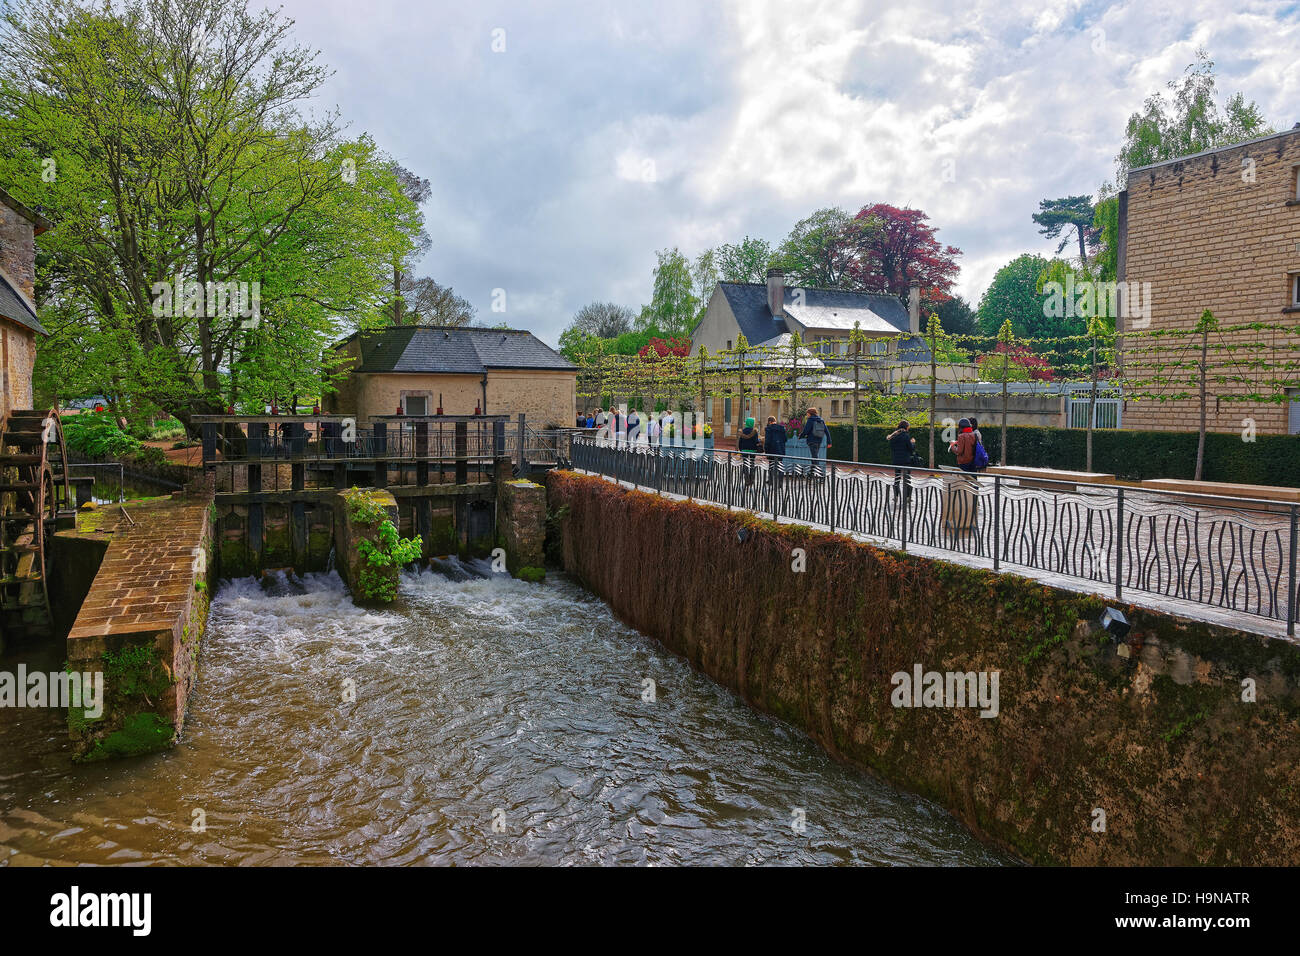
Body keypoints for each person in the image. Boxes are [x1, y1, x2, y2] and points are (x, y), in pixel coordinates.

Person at [887, 420, 916, 502]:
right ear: (906, 427)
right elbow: (910, 448)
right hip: (905, 460)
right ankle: (907, 497)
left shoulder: (893, 436)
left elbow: (892, 448)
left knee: (897, 478)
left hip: (896, 460)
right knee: (907, 479)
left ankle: (896, 496)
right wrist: (913, 443)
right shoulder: (906, 436)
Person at [799, 407, 830, 477]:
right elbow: (827, 431)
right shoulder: (821, 420)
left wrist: (800, 436)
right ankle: (812, 473)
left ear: (810, 414)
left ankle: (820, 474)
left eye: (807, 414)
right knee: (814, 456)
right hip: (819, 440)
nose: (807, 415)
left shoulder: (810, 420)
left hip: (812, 441)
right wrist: (829, 441)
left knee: (815, 457)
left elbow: (805, 431)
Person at [737, 416, 762, 485]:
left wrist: (740, 449)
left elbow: (740, 441)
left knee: (745, 464)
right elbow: (756, 441)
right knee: (752, 464)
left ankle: (747, 480)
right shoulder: (754, 431)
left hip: (744, 450)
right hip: (753, 450)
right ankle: (752, 479)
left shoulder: (743, 431)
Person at [764, 415, 787, 486]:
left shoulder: (769, 429)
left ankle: (771, 480)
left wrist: (766, 450)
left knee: (771, 465)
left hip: (771, 450)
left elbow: (767, 441)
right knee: (779, 465)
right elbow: (785, 439)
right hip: (780, 450)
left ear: (769, 422)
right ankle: (780, 482)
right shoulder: (781, 429)